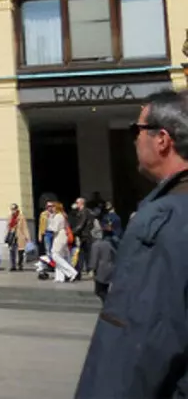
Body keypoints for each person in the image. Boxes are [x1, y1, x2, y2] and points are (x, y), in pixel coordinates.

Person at [76, 91, 188, 397]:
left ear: (162, 139)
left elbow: (138, 338)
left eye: (136, 130)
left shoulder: (160, 221)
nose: (134, 140)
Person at [71, 196, 98, 275]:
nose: (75, 204)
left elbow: (81, 225)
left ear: (81, 203)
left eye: (77, 203)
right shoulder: (82, 211)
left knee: (82, 254)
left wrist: (72, 232)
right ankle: (88, 270)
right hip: (85, 236)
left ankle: (80, 272)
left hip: (84, 236)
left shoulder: (84, 212)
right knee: (85, 254)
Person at [48, 201, 74, 282]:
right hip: (60, 236)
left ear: (57, 208)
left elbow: (54, 228)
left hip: (59, 236)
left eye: (54, 206)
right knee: (60, 256)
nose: (52, 208)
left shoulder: (58, 216)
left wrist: (49, 226)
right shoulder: (60, 215)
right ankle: (59, 277)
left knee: (56, 256)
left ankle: (71, 272)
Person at [89, 234, 116, 305]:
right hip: (109, 268)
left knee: (99, 291)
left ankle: (108, 304)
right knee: (105, 289)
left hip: (100, 270)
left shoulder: (95, 245)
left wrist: (92, 268)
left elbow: (94, 258)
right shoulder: (110, 244)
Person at [6, 203, 32, 272]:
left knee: (21, 251)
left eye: (14, 209)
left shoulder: (21, 217)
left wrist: (28, 237)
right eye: (12, 209)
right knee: (12, 251)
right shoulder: (9, 217)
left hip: (20, 236)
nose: (13, 210)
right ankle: (13, 266)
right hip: (12, 236)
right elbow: (7, 227)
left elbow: (25, 228)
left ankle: (20, 264)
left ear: (17, 209)